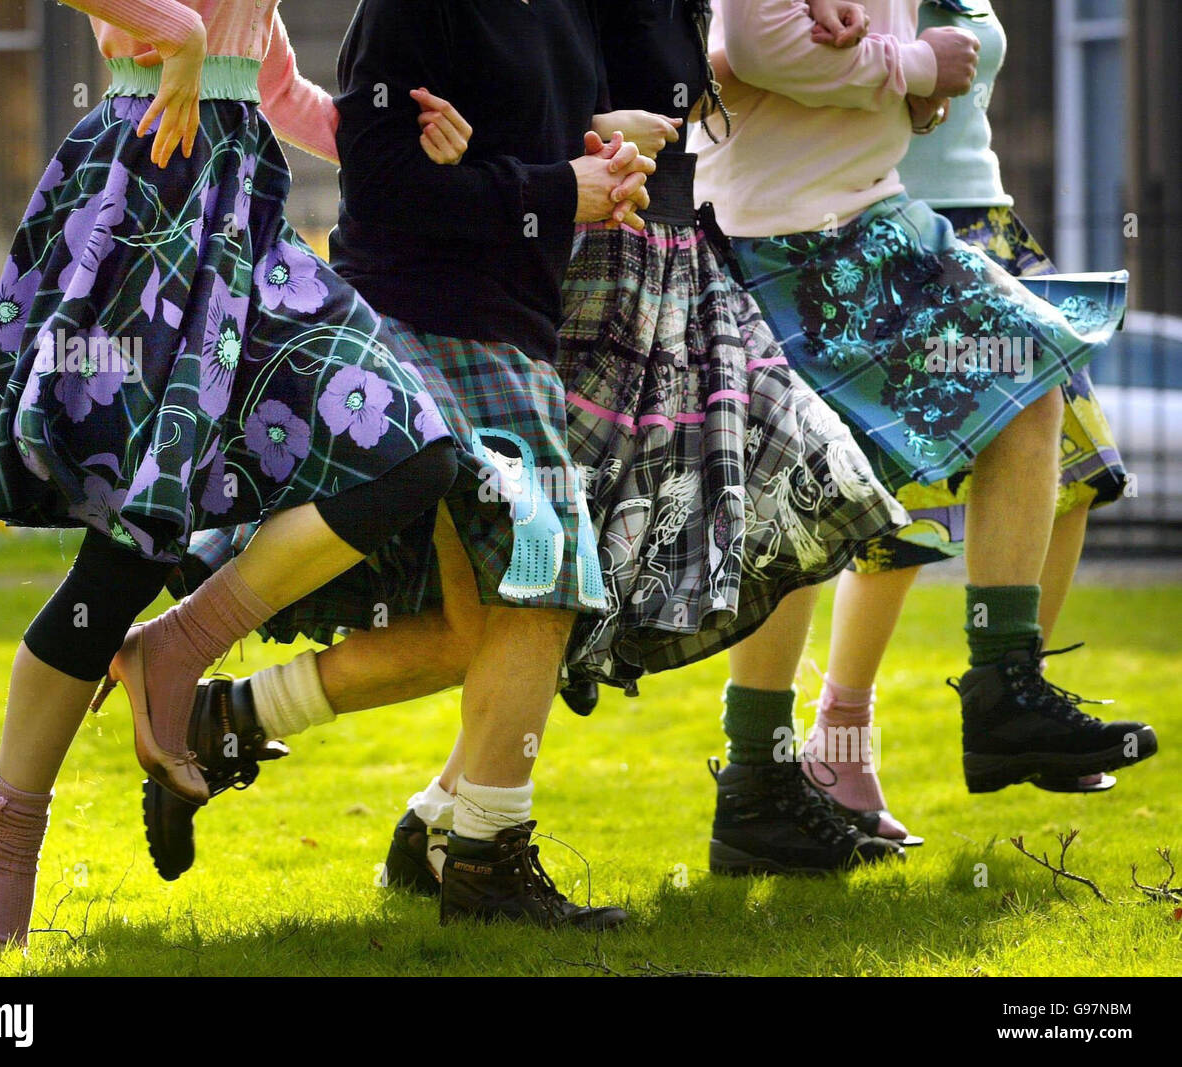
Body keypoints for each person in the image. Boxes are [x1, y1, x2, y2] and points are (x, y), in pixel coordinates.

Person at [141, 0, 914, 891]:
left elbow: (527, 135)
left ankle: (427, 816)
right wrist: (561, 180)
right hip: (454, 316)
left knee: (502, 613)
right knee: (542, 587)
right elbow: (389, 178)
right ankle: (487, 850)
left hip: (532, 309)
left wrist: (589, 148)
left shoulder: (562, 18)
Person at [0, 0, 462, 951]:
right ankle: (2, 837)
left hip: (239, 200)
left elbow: (281, 85)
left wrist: (396, 146)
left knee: (410, 449)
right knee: (126, 552)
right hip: (149, 192)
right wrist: (173, 27)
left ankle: (174, 649)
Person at [688, 0, 1154, 875]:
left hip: (868, 215)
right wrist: (908, 67)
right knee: (809, 505)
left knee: (1029, 378)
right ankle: (764, 772)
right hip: (785, 237)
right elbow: (745, 47)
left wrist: (905, 75)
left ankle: (1000, 687)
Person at [802, 0, 1134, 841]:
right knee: (899, 519)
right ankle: (838, 740)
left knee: (1077, 469)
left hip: (991, 227)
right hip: (896, 227)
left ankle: (1016, 697)